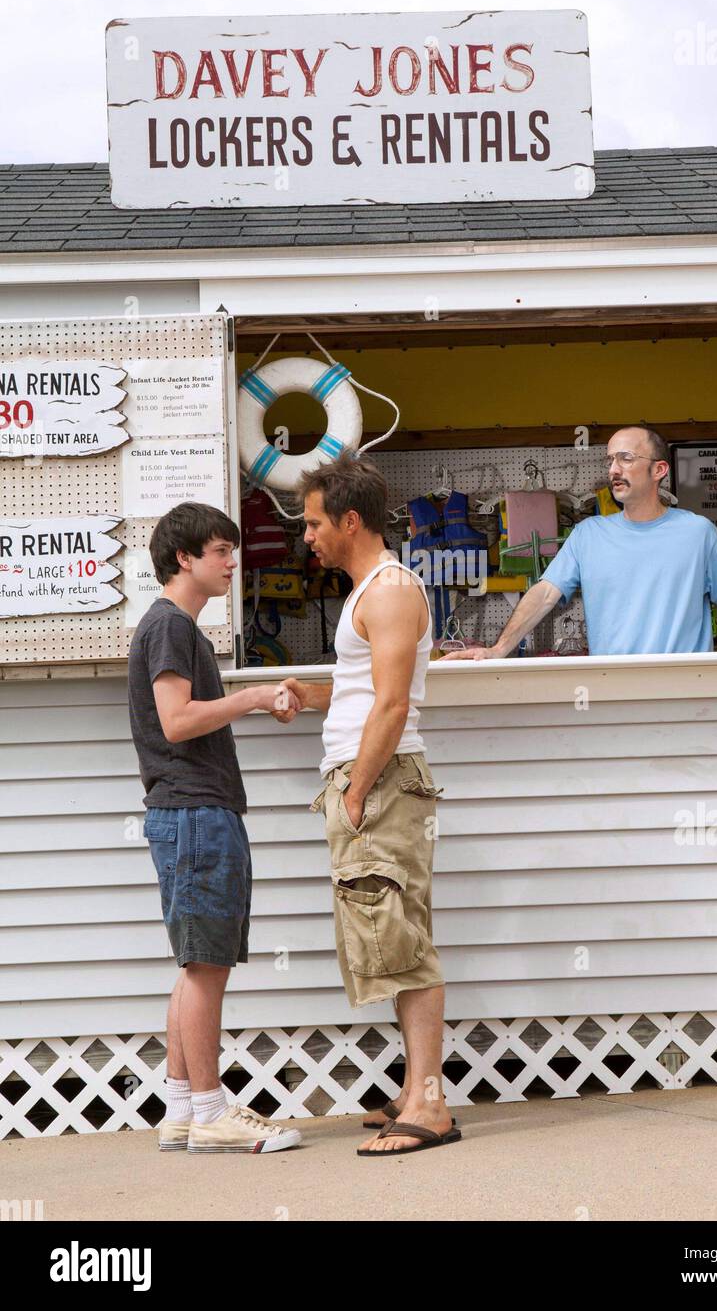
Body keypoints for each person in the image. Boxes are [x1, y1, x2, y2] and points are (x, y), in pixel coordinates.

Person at [275, 456, 460, 1157]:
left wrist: (355, 792)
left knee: (400, 938)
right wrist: (310, 692)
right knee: (392, 932)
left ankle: (431, 1103)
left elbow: (390, 704)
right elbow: (366, 690)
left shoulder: (387, 591)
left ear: (350, 520)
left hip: (378, 780)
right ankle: (417, 1091)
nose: (308, 537)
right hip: (369, 774)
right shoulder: (372, 593)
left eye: (316, 523)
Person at [128, 502, 303, 1155]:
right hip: (196, 813)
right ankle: (211, 1113)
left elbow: (186, 715)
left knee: (193, 965)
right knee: (207, 967)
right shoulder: (172, 627)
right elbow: (176, 721)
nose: (234, 562)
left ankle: (180, 1110)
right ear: (184, 558)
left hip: (187, 812)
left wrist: (247, 705)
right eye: (221, 551)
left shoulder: (174, 628)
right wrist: (253, 698)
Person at [443, 425, 717, 659]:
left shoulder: (698, 531)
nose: (613, 469)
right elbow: (543, 594)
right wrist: (497, 649)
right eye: (610, 460)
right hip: (613, 688)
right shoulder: (588, 535)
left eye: (625, 458)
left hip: (688, 689)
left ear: (659, 469)